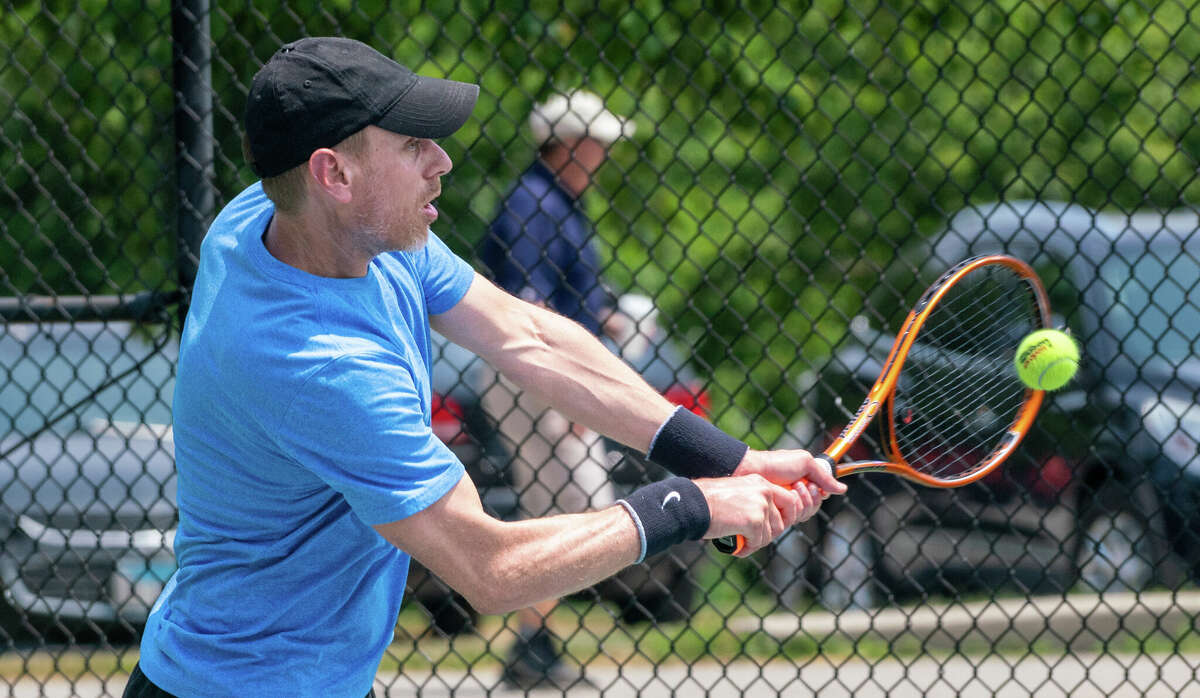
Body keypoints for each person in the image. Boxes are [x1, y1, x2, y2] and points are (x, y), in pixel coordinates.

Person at [125, 37, 845, 698]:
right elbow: (490, 567)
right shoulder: (318, 367)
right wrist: (692, 505)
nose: (441, 160)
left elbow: (527, 334)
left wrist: (729, 458)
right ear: (333, 172)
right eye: (412, 145)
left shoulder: (294, 219)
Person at [478, 89, 640, 688]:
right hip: (537, 377)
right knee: (576, 505)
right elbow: (529, 307)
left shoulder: (559, 202)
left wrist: (608, 317)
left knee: (559, 507)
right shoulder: (534, 203)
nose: (604, 154)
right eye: (598, 143)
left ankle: (532, 642)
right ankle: (529, 640)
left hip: (547, 376)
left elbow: (565, 299)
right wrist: (568, 392)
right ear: (570, 144)